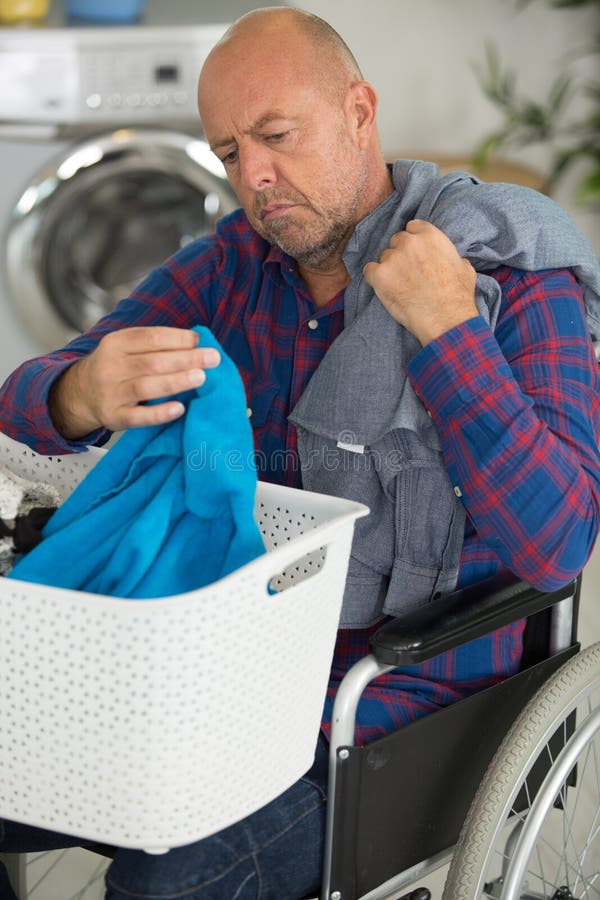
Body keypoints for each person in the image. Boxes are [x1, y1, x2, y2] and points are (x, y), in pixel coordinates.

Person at [1, 6, 599, 899]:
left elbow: (558, 544)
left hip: (388, 701)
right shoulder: (232, 265)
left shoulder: (505, 275)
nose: (258, 178)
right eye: (231, 154)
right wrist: (77, 391)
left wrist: (444, 331)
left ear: (359, 110)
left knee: (173, 874)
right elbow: (33, 391)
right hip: (212, 663)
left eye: (277, 135)